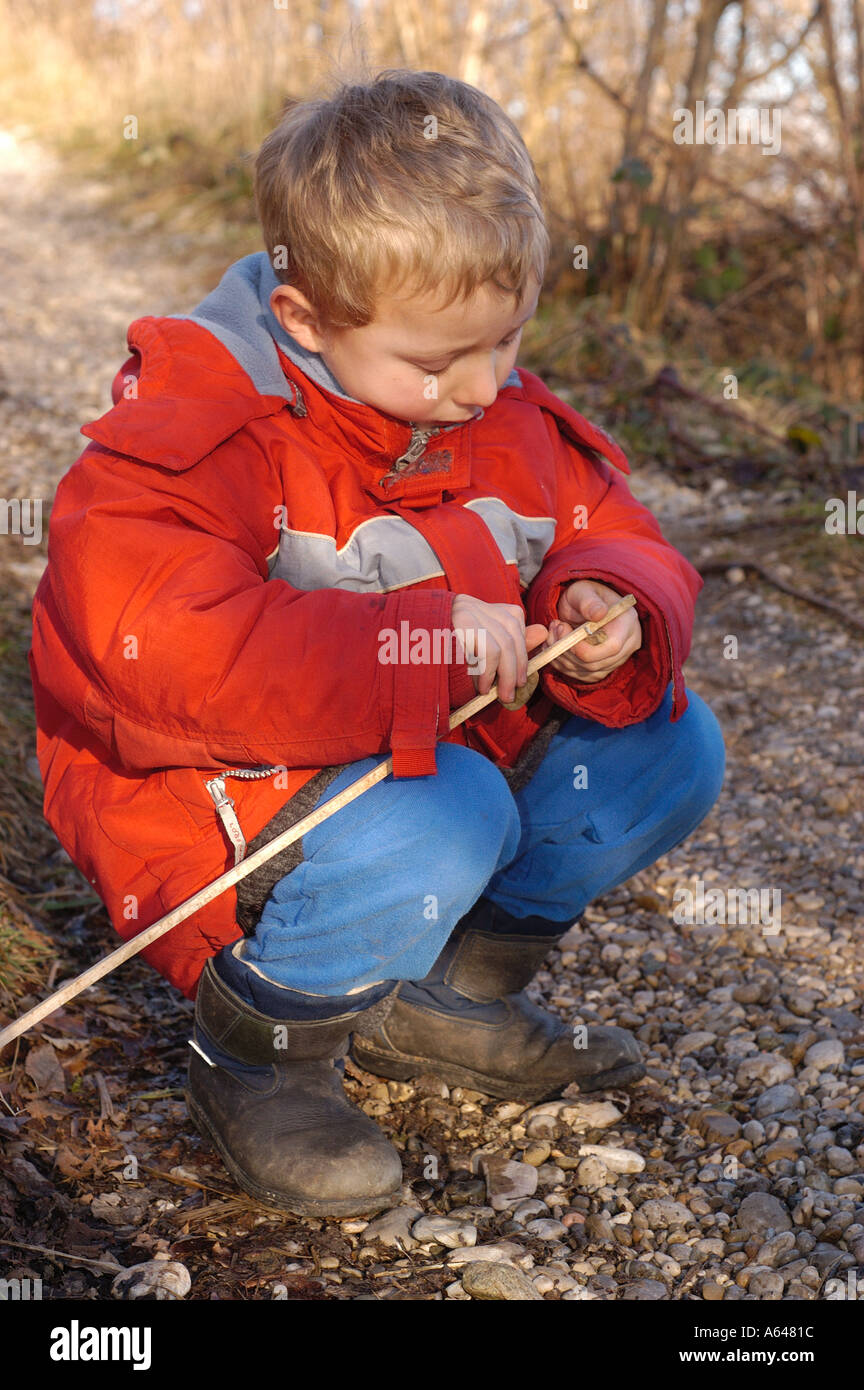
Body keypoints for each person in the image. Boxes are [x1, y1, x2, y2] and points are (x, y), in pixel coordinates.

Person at [29, 68, 725, 1219]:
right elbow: (159, 653)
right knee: (452, 806)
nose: (482, 388)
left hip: (418, 767)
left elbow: (614, 522)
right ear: (305, 319)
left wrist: (613, 599)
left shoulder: (491, 403)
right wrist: (417, 644)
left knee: (669, 744)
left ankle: (445, 1000)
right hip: (224, 805)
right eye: (439, 363)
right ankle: (263, 1048)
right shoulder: (203, 430)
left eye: (506, 339)